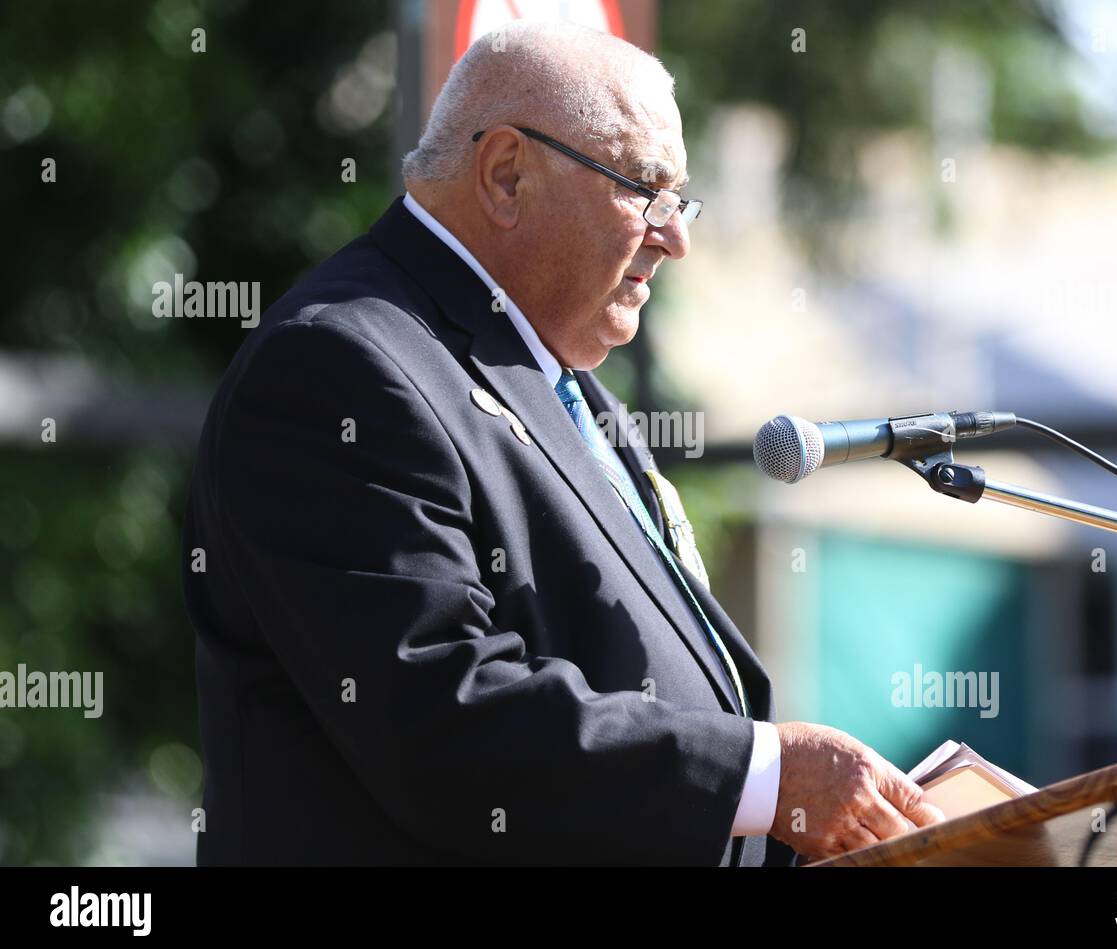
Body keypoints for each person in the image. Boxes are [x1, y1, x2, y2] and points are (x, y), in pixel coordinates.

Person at [182, 19, 944, 866]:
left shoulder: (565, 384)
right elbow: (443, 716)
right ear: (507, 174)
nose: (676, 235)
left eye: (680, 199)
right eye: (644, 189)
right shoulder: (339, 367)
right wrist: (767, 778)